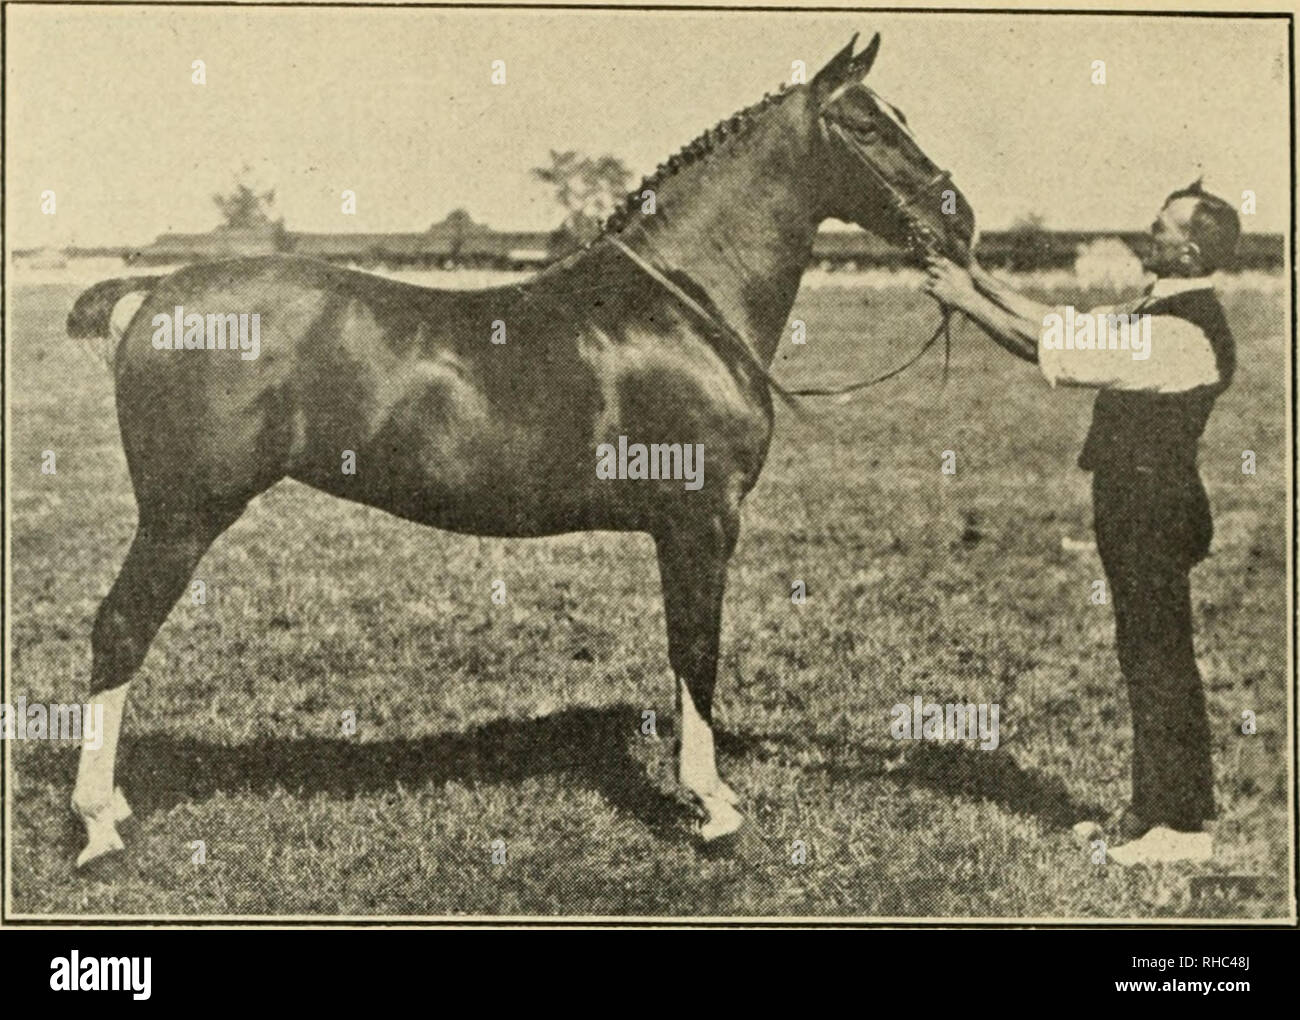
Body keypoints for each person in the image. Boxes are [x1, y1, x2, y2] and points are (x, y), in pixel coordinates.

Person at [923, 180, 1239, 865]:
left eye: (1161, 227)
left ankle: (1181, 829)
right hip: (1135, 506)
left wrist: (964, 300)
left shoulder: (1181, 332)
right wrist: (977, 277)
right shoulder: (1163, 308)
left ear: (1189, 249)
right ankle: (1152, 812)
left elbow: (1057, 357)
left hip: (1154, 510)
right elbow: (1059, 324)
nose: (1148, 232)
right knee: (1145, 656)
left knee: (1159, 661)